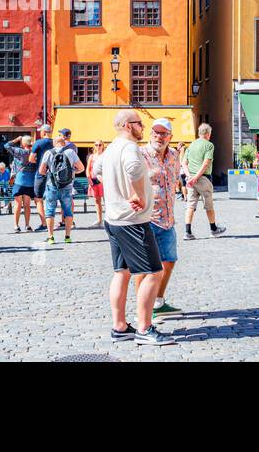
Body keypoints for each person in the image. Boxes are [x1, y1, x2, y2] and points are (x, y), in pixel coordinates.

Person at [94, 109, 173, 346]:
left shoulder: (110, 148)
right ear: (128, 125)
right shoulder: (129, 148)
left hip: (114, 219)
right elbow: (135, 169)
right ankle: (145, 329)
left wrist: (114, 191)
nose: (143, 127)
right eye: (140, 123)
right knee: (153, 272)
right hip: (133, 221)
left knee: (122, 272)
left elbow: (97, 170)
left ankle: (120, 327)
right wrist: (138, 194)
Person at [141, 118, 183, 317]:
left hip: (168, 218)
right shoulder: (141, 154)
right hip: (147, 219)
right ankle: (142, 310)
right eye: (156, 133)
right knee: (145, 267)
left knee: (169, 260)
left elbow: (174, 179)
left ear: (170, 137)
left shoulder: (174, 155)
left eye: (164, 133)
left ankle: (157, 301)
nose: (159, 136)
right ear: (150, 134)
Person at [39, 129, 84, 244]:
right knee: (68, 211)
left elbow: (41, 171)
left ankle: (51, 237)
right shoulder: (71, 152)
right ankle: (67, 236)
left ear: (54, 143)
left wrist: (50, 173)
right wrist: (72, 172)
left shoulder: (48, 153)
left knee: (50, 211)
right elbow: (81, 168)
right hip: (68, 186)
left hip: (52, 186)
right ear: (64, 143)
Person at [183, 123, 226, 238]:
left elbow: (184, 163)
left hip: (190, 179)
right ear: (208, 134)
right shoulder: (209, 145)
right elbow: (206, 163)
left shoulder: (191, 145)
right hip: (203, 178)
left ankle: (187, 232)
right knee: (208, 203)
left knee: (190, 205)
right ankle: (213, 229)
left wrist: (189, 177)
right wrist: (196, 177)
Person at [6, 134, 37, 232]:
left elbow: (6, 145)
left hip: (19, 181)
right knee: (27, 204)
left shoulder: (20, 151)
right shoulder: (34, 153)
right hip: (30, 181)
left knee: (18, 204)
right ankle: (27, 225)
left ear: (23, 143)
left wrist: (16, 139)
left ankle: (16, 226)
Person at [85, 140, 106, 226]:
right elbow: (88, 168)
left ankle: (109, 219)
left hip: (103, 180)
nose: (98, 146)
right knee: (97, 201)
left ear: (102, 146)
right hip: (94, 180)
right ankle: (99, 219)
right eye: (96, 145)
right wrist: (88, 178)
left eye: (100, 145)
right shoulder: (92, 156)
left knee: (107, 201)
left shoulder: (105, 155)